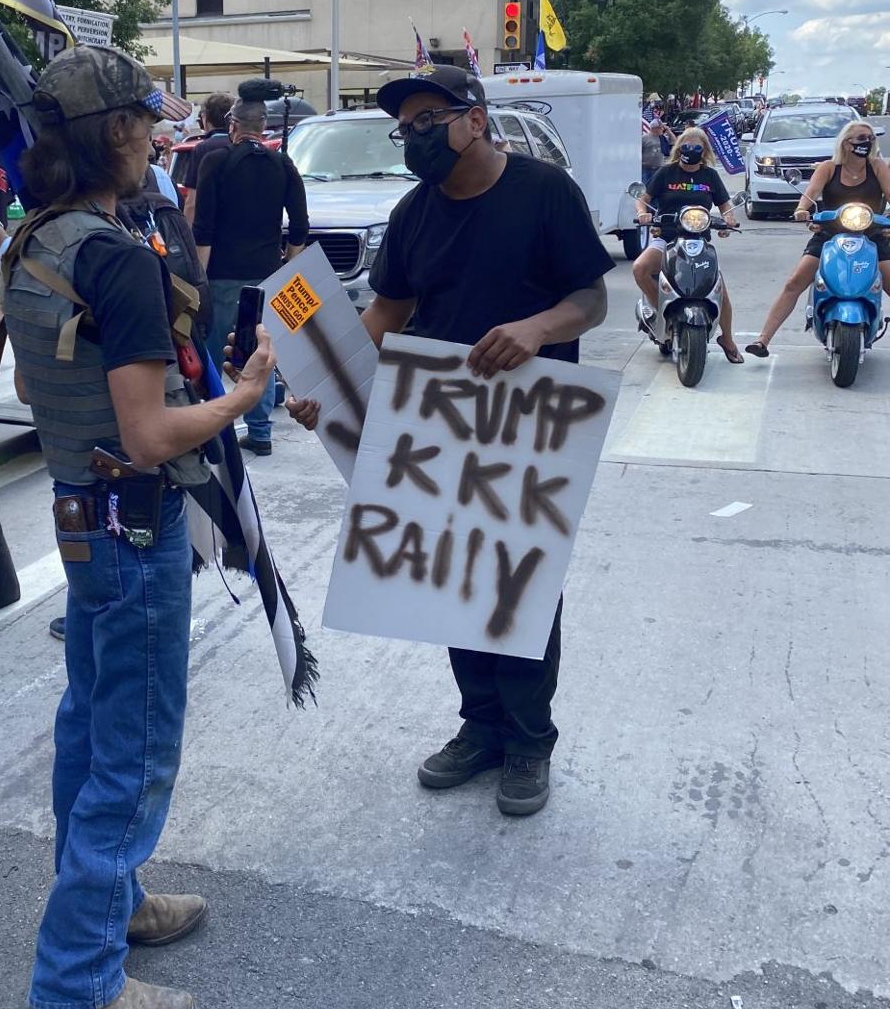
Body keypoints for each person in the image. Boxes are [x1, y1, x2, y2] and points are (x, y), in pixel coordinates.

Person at [0, 45, 276, 1009]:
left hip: (82, 510)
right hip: (136, 516)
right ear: (115, 131)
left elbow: (36, 394)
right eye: (149, 122)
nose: (163, 137)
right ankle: (76, 981)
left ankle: (106, 905)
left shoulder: (38, 238)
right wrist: (242, 397)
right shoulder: (114, 255)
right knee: (135, 746)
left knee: (91, 724)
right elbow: (155, 433)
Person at [287, 64, 614, 817]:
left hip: (525, 420)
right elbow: (386, 314)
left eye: (429, 121)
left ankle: (530, 740)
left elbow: (591, 299)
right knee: (455, 575)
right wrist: (323, 388)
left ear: (475, 119)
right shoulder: (411, 215)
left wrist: (536, 330)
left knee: (518, 581)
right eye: (406, 127)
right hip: (435, 418)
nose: (415, 137)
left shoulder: (543, 193)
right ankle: (481, 728)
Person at [194, 97, 310, 457]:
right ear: (263, 127)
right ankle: (260, 430)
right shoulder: (282, 164)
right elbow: (301, 225)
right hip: (267, 273)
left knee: (216, 354)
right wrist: (287, 264)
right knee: (260, 350)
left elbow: (204, 228)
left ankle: (217, 428)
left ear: (233, 125)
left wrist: (200, 279)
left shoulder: (216, 161)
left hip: (223, 272)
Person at [746, 120, 890, 357]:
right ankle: (763, 339)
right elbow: (810, 194)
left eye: (871, 139)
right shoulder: (828, 168)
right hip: (830, 232)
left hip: (872, 232)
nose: (867, 143)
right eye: (861, 139)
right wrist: (802, 209)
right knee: (795, 281)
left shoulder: (877, 167)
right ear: (846, 143)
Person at [632, 128, 744, 364]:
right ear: (678, 148)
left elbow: (725, 206)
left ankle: (728, 340)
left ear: (704, 151)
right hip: (667, 237)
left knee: (719, 290)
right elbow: (643, 201)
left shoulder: (710, 176)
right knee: (640, 268)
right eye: (686, 146)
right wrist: (643, 214)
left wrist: (728, 221)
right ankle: (662, 314)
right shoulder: (666, 173)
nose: (690, 151)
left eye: (696, 148)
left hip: (699, 241)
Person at [180, 92, 232, 224]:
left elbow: (192, 202)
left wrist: (187, 238)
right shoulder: (242, 145)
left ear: (205, 118)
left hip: (210, 232)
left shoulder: (202, 150)